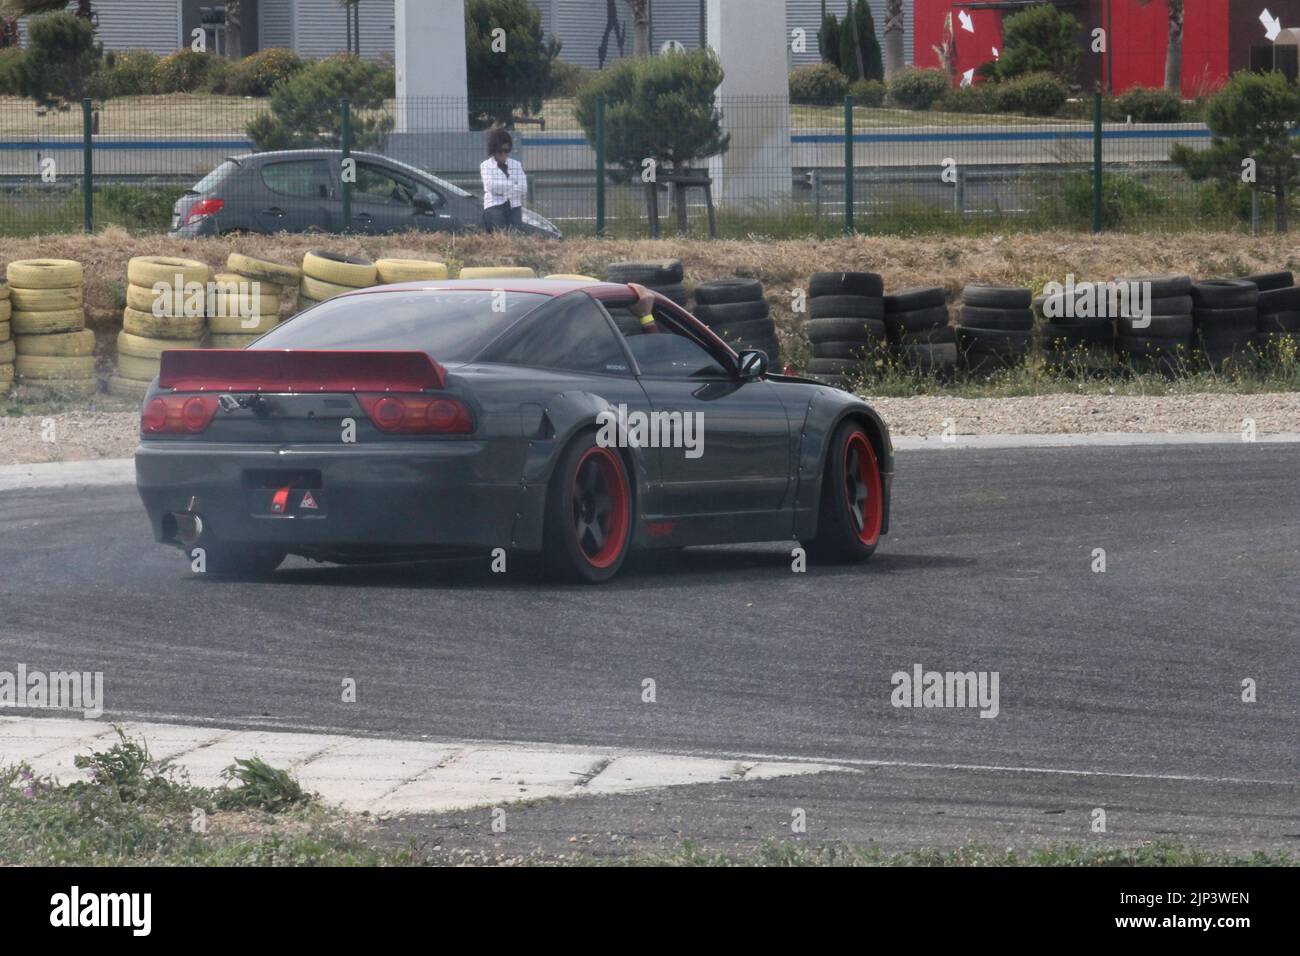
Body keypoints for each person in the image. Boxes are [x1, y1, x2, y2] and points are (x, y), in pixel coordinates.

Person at [480, 127, 526, 232]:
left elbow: (524, 188)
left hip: (514, 205)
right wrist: (513, 185)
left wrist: (501, 189)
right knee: (500, 236)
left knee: (517, 236)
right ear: (494, 150)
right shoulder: (486, 166)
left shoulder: (516, 165)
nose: (503, 154)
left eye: (506, 150)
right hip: (494, 206)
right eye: (500, 151)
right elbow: (491, 187)